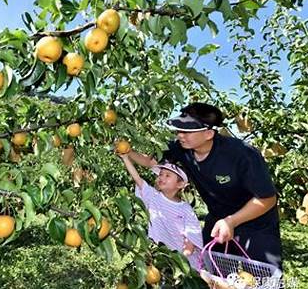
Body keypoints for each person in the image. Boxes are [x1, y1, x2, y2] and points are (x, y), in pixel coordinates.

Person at [128, 103, 282, 269]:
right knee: (212, 273)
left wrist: (232, 221)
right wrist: (127, 152)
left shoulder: (242, 154)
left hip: (256, 223)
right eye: (179, 130)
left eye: (187, 131)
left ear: (209, 133)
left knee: (264, 278)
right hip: (217, 220)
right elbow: (150, 161)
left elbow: (267, 199)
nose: (180, 135)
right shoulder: (181, 148)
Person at [120, 153, 203, 270]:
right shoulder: (153, 197)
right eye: (160, 174)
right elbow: (137, 179)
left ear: (180, 184)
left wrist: (179, 263)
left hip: (187, 266)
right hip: (161, 263)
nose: (161, 177)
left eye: (167, 175)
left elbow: (190, 242)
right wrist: (125, 158)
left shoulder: (186, 210)